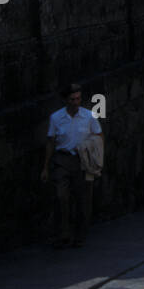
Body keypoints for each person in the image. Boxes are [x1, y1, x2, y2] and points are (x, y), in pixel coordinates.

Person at [41, 83, 104, 247]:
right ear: (65, 100)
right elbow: (50, 141)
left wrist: (96, 159)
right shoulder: (56, 118)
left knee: (82, 199)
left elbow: (99, 137)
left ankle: (80, 234)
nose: (76, 102)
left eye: (78, 98)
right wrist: (46, 167)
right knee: (61, 196)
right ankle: (63, 232)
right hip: (62, 159)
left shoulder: (89, 116)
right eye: (72, 99)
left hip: (82, 161)